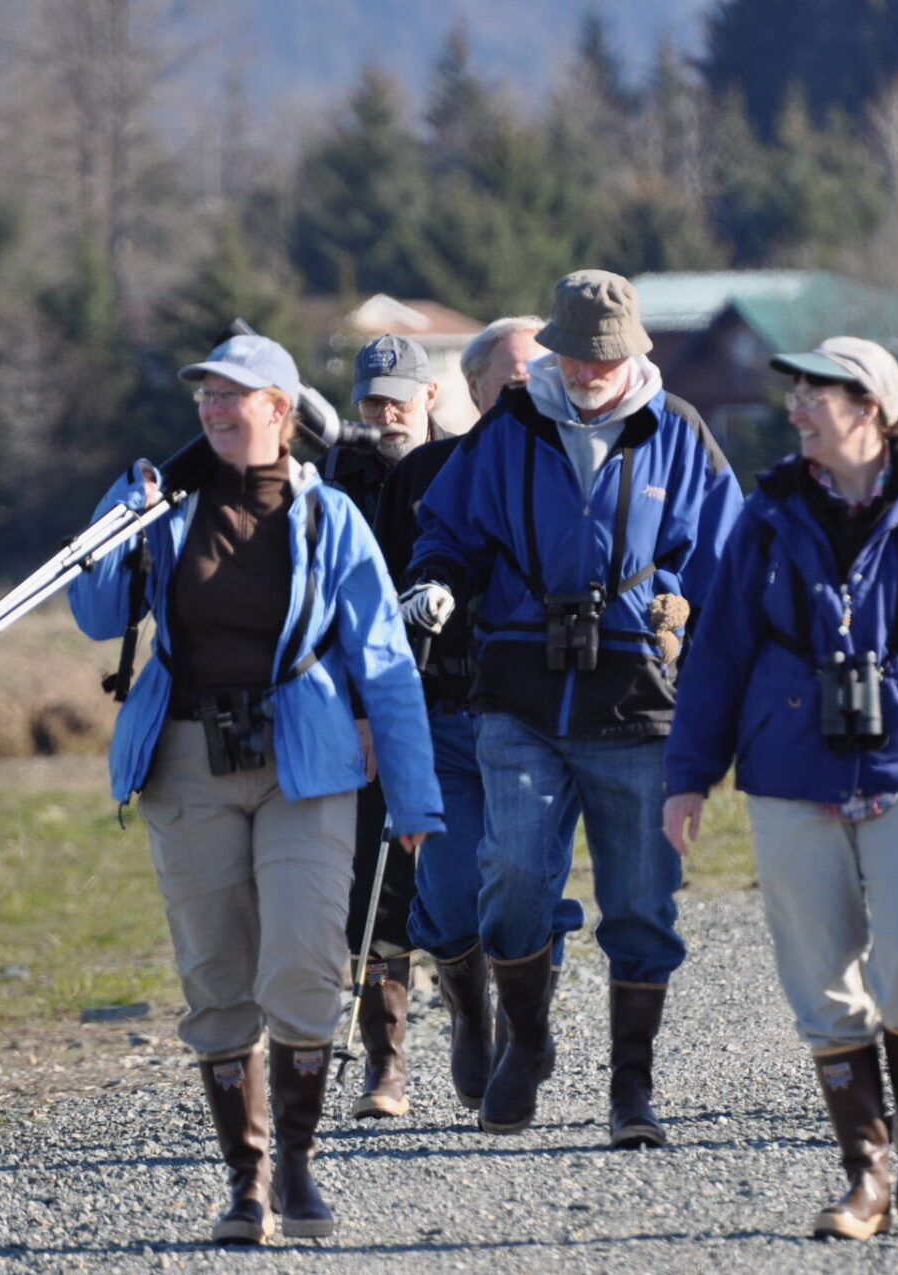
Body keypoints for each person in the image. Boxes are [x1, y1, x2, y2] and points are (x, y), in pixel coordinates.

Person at [69, 332, 442, 1242]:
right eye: (205, 395)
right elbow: (96, 612)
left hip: (305, 765)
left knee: (307, 963)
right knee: (216, 976)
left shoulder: (330, 518)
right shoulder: (164, 511)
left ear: (280, 409)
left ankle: (302, 1166)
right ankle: (247, 1180)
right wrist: (123, 509)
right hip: (187, 763)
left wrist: (416, 796)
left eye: (234, 395)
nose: (214, 408)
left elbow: (386, 665)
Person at [663, 341, 898, 1238]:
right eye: (794, 392)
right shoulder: (769, 509)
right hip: (791, 767)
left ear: (868, 407)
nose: (796, 408)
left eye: (814, 395)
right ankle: (866, 1169)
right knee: (819, 978)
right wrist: (688, 778)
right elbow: (719, 651)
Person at [404, 269, 743, 1147]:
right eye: (578, 355)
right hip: (518, 692)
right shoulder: (509, 427)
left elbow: (727, 572)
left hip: (638, 703)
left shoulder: (680, 433)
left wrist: (719, 688)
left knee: (639, 902)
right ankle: (529, 1042)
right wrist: (434, 584)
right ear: (553, 348)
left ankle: (633, 1085)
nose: (591, 371)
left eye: (607, 357)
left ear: (633, 352)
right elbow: (446, 531)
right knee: (511, 876)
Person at [377, 316, 585, 1112]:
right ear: (473, 391)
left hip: (538, 716)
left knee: (529, 880)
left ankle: (524, 1038)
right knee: (454, 889)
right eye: (516, 383)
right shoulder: (423, 475)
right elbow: (383, 599)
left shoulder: (577, 473)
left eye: (546, 381)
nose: (534, 395)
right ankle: (471, 1013)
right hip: (443, 714)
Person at [324, 333, 443, 1121]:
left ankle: (479, 1030)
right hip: (363, 705)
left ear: (430, 396)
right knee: (373, 882)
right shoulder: (335, 481)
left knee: (470, 876)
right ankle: (387, 1060)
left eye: (399, 395)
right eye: (373, 398)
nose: (386, 411)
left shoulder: (462, 466)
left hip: (458, 697)